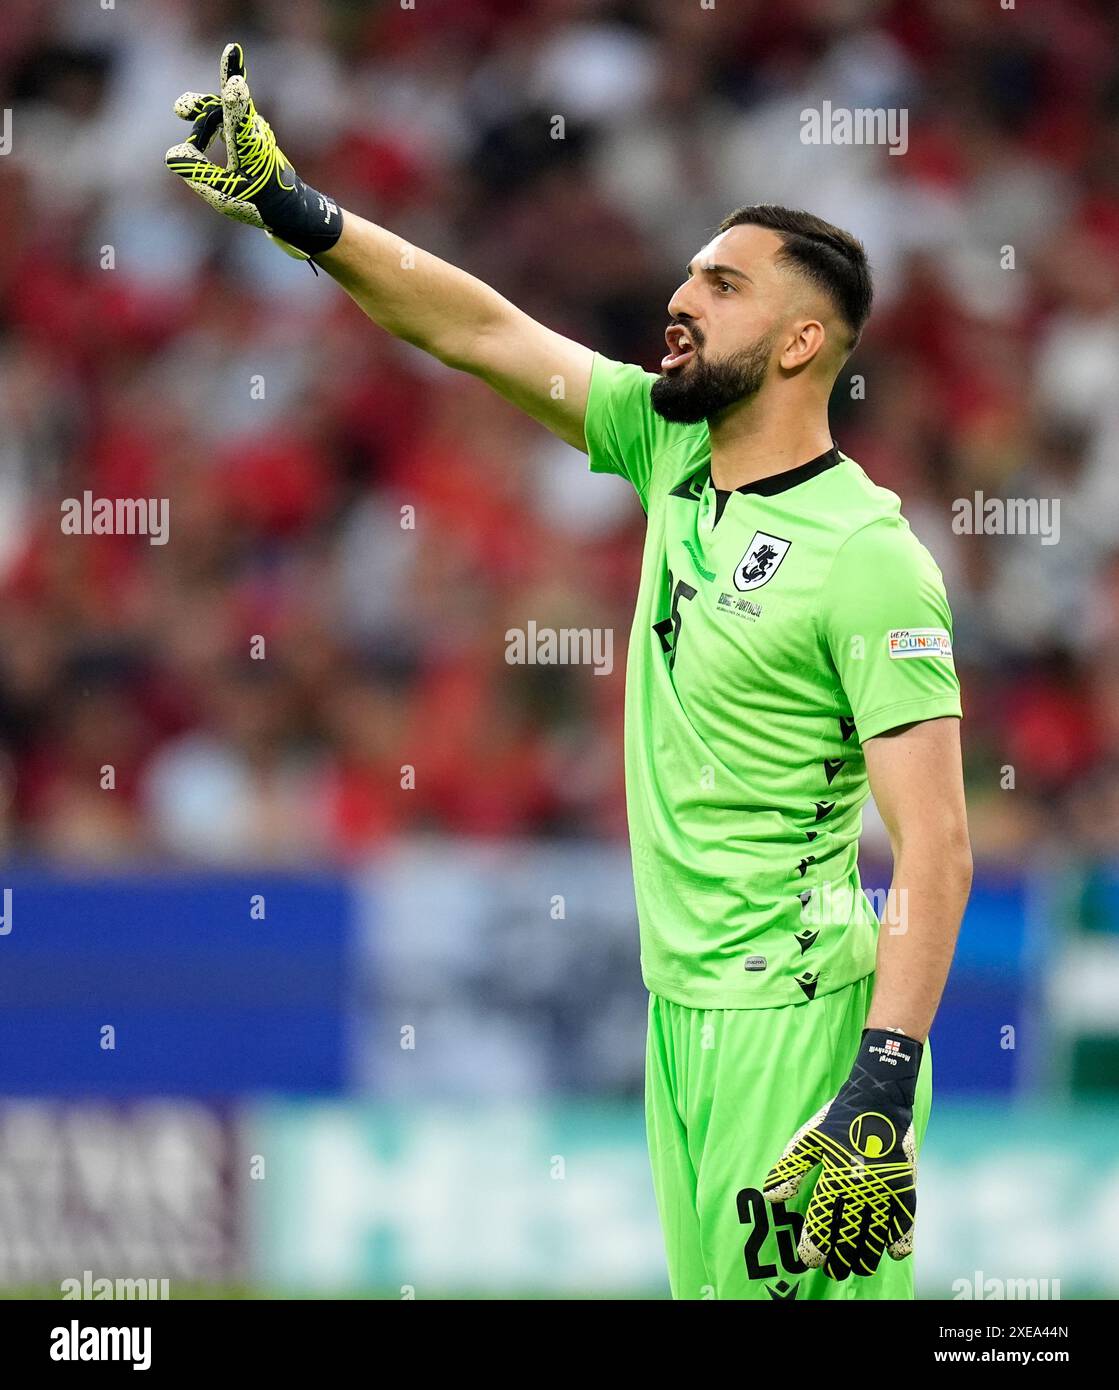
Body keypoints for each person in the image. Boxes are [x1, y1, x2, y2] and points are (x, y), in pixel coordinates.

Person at [166, 44, 973, 1300]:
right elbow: (475, 326)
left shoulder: (870, 559)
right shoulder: (667, 444)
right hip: (682, 1015)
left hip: (799, 1024)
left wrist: (878, 1081)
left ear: (805, 340)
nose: (682, 292)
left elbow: (936, 845)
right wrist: (297, 209)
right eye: (691, 267)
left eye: (723, 280)